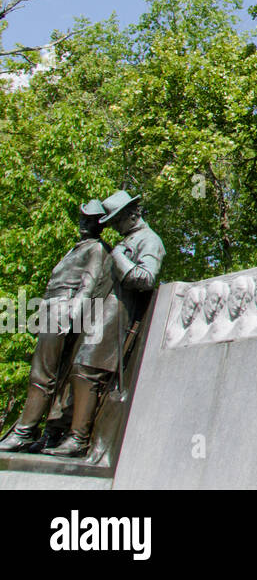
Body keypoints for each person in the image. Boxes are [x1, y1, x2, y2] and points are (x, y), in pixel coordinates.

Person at [45, 190, 163, 458]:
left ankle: (78, 439)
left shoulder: (149, 240)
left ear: (132, 215)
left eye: (116, 221)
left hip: (117, 316)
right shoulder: (129, 239)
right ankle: (63, 432)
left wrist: (120, 256)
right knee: (76, 371)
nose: (113, 228)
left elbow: (146, 278)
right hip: (99, 314)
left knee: (87, 370)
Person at [0, 200, 112, 452]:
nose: (85, 223)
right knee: (44, 374)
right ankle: (37, 431)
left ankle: (23, 432)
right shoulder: (80, 247)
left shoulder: (96, 248)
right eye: (83, 218)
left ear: (101, 224)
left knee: (43, 375)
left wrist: (73, 316)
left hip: (64, 311)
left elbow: (89, 283)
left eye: (91, 220)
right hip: (53, 308)